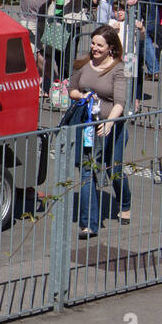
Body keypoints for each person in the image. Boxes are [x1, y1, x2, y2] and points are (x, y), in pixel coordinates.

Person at [67, 26, 129, 237]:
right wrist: (83, 95)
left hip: (111, 127)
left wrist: (110, 123)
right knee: (87, 170)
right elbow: (72, 89)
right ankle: (89, 224)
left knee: (113, 169)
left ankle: (125, 202)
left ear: (110, 48)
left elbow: (120, 102)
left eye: (99, 45)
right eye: (93, 43)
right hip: (87, 125)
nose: (94, 48)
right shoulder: (85, 63)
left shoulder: (118, 69)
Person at [41, 0, 90, 97]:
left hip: (70, 22)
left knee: (69, 57)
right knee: (57, 55)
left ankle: (71, 88)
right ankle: (62, 86)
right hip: (56, 20)